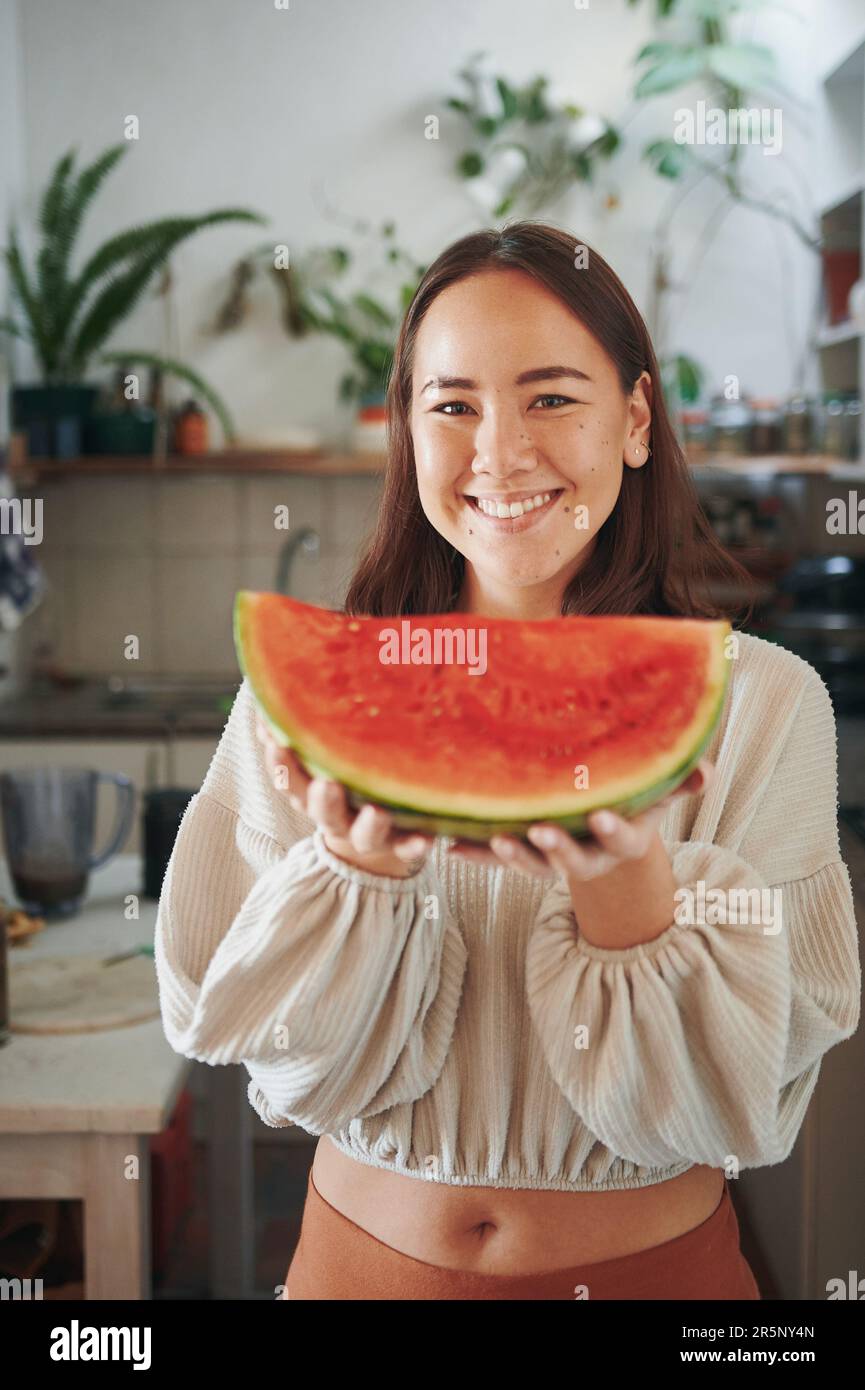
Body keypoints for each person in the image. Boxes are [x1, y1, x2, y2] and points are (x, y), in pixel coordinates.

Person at [154, 223, 861, 1300]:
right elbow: (274, 1068)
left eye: (550, 396)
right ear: (407, 431)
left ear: (633, 418)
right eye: (451, 405)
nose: (497, 452)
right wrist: (355, 885)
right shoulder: (299, 711)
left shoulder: (764, 705)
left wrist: (628, 899)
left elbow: (743, 1109)